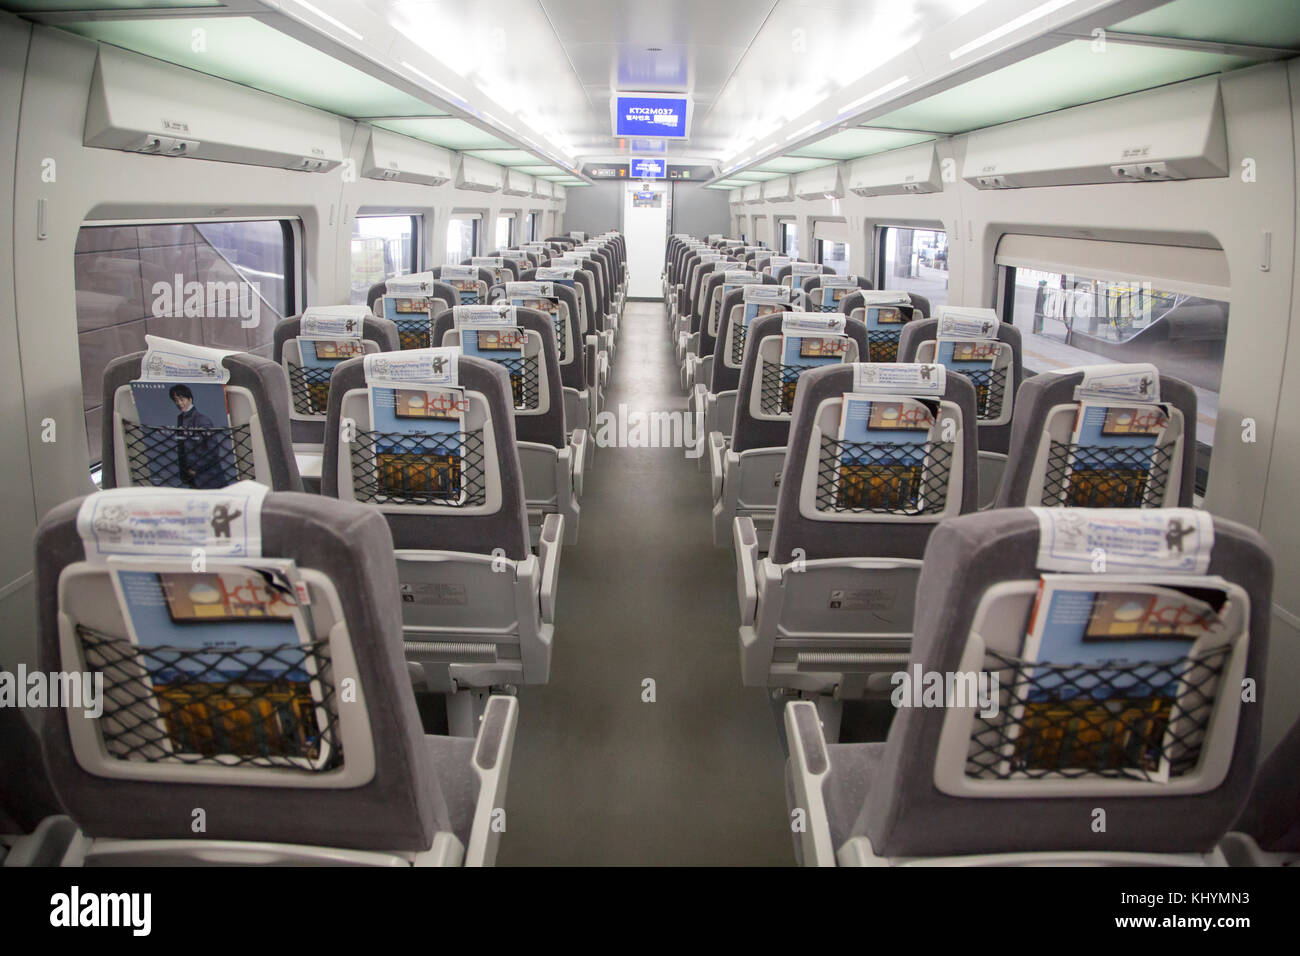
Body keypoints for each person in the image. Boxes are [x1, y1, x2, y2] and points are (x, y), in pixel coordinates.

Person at [170, 383, 236, 488]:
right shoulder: (181, 419)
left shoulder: (202, 420)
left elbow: (213, 450)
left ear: (190, 399)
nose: (179, 403)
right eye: (176, 400)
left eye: (182, 399)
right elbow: (182, 447)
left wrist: (195, 469)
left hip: (208, 477)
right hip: (191, 476)